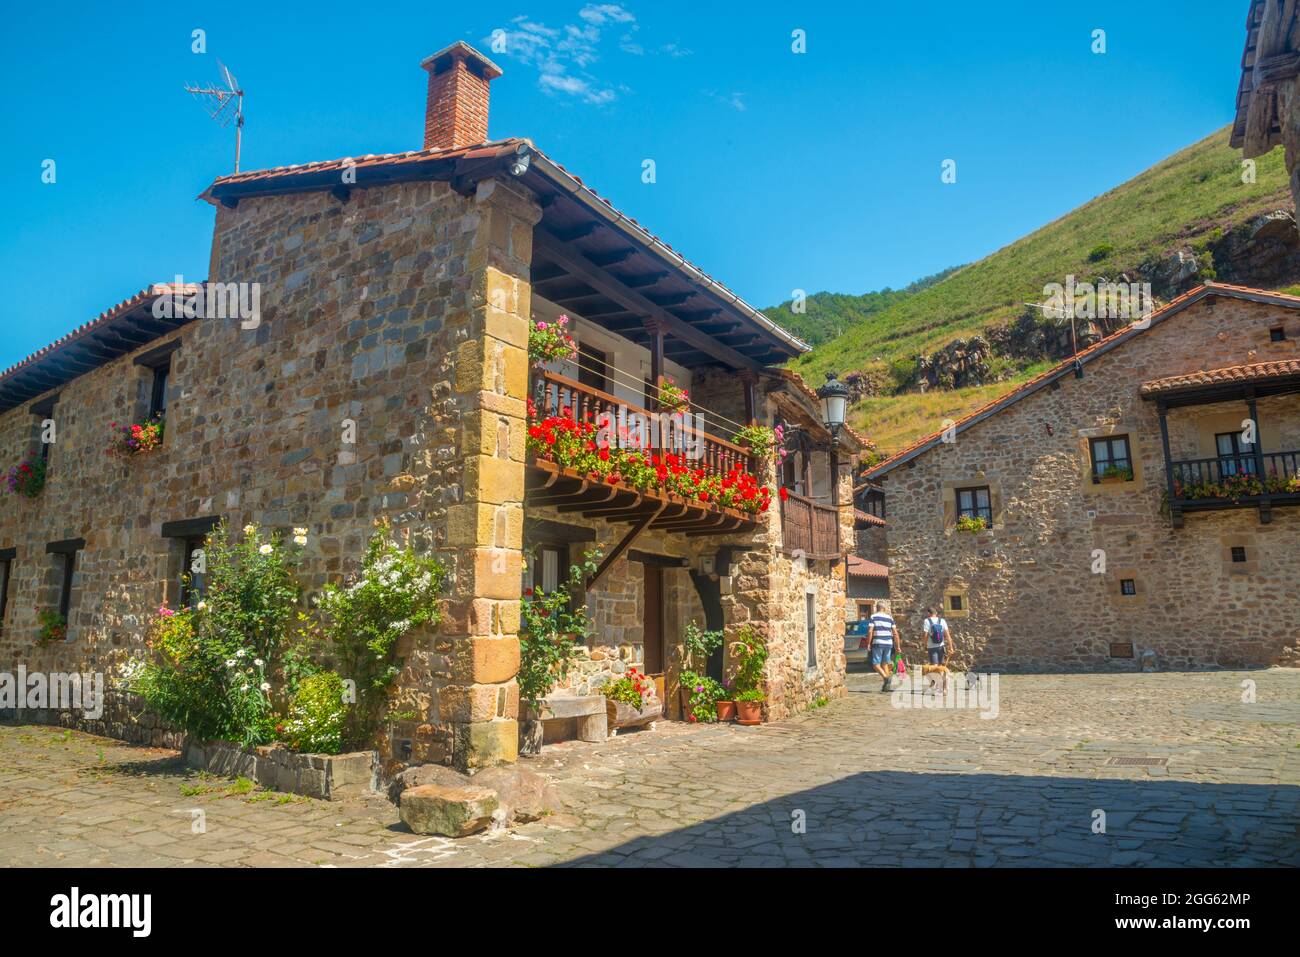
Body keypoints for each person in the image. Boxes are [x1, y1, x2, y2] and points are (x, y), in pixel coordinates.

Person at [867, 601, 899, 692]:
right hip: (889, 643)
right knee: (884, 663)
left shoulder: (873, 617)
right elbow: (895, 633)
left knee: (875, 664)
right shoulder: (889, 618)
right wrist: (897, 645)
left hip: (878, 642)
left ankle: (886, 678)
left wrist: (868, 643)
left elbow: (870, 631)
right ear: (884, 608)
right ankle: (886, 687)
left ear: (876, 608)